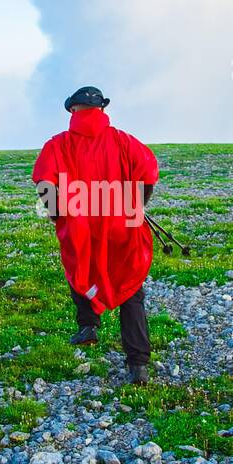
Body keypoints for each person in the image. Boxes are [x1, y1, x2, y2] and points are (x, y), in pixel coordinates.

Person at [32, 86, 159, 384]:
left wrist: (59, 216)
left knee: (80, 270)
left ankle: (88, 325)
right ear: (102, 110)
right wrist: (136, 206)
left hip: (81, 227)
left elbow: (43, 181)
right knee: (130, 289)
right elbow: (149, 172)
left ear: (73, 111)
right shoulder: (124, 141)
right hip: (122, 226)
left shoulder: (57, 145)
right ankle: (138, 364)